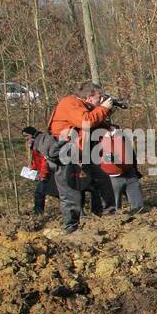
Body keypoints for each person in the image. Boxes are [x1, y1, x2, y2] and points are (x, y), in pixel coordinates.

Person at [45, 81, 114, 231]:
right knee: (71, 192)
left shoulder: (84, 107)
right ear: (89, 98)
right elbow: (86, 122)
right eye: (98, 97)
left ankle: (107, 216)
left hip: (80, 153)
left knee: (101, 180)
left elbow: (96, 123)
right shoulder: (69, 103)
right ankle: (71, 228)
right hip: (64, 152)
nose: (100, 100)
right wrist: (103, 108)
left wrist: (106, 112)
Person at [98, 120, 144, 213]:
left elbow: (131, 152)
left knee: (139, 207)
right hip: (111, 178)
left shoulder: (120, 133)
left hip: (130, 173)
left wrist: (135, 169)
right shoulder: (96, 138)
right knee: (113, 209)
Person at [22, 126, 57, 220]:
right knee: (51, 193)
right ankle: (38, 213)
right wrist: (31, 169)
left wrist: (43, 174)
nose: (26, 138)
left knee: (39, 193)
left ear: (32, 134)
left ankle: (39, 214)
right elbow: (37, 161)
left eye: (27, 136)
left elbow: (44, 160)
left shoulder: (40, 143)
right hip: (43, 172)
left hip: (47, 172)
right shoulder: (36, 143)